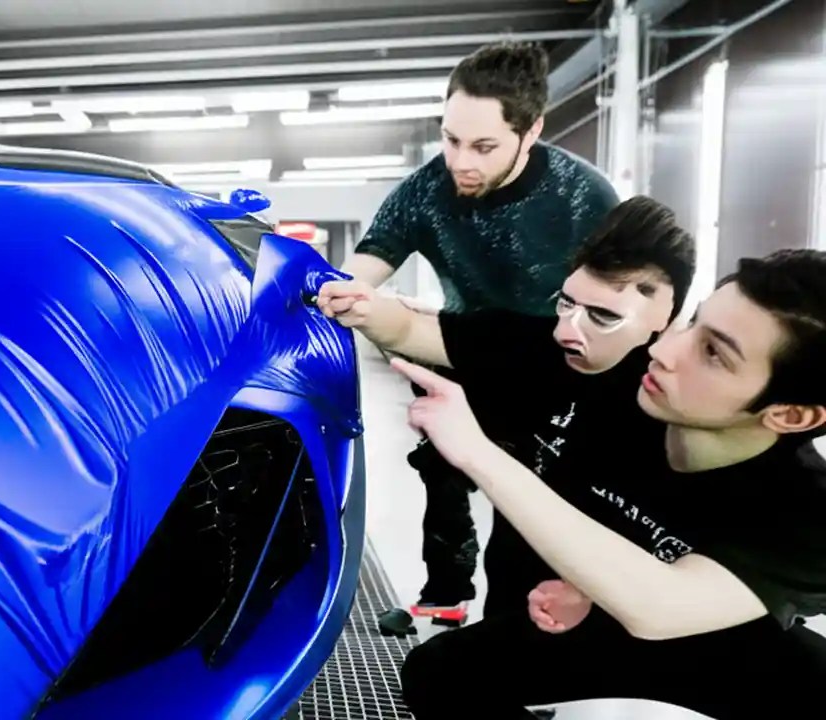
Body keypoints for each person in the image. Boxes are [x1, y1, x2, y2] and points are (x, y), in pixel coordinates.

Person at [388, 249, 826, 718]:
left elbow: (661, 605)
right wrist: (588, 588)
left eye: (713, 353)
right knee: (439, 672)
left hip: (716, 633)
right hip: (603, 621)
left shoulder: (807, 512)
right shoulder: (622, 393)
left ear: (789, 415)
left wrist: (478, 453)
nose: (663, 351)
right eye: (694, 323)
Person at [342, 40, 620, 627]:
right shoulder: (427, 188)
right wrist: (338, 295)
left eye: (484, 146)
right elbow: (368, 264)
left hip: (551, 368)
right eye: (450, 139)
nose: (461, 160)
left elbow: (619, 307)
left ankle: (519, 647)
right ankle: (445, 597)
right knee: (441, 478)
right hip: (461, 354)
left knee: (531, 511)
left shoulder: (583, 198)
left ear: (532, 129)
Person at [319, 195, 695, 621]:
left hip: (620, 635)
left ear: (665, 314)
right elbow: (413, 328)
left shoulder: (679, 412)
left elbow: (692, 564)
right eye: (567, 303)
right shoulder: (531, 347)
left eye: (603, 317)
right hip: (510, 612)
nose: (567, 330)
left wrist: (596, 591)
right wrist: (365, 309)